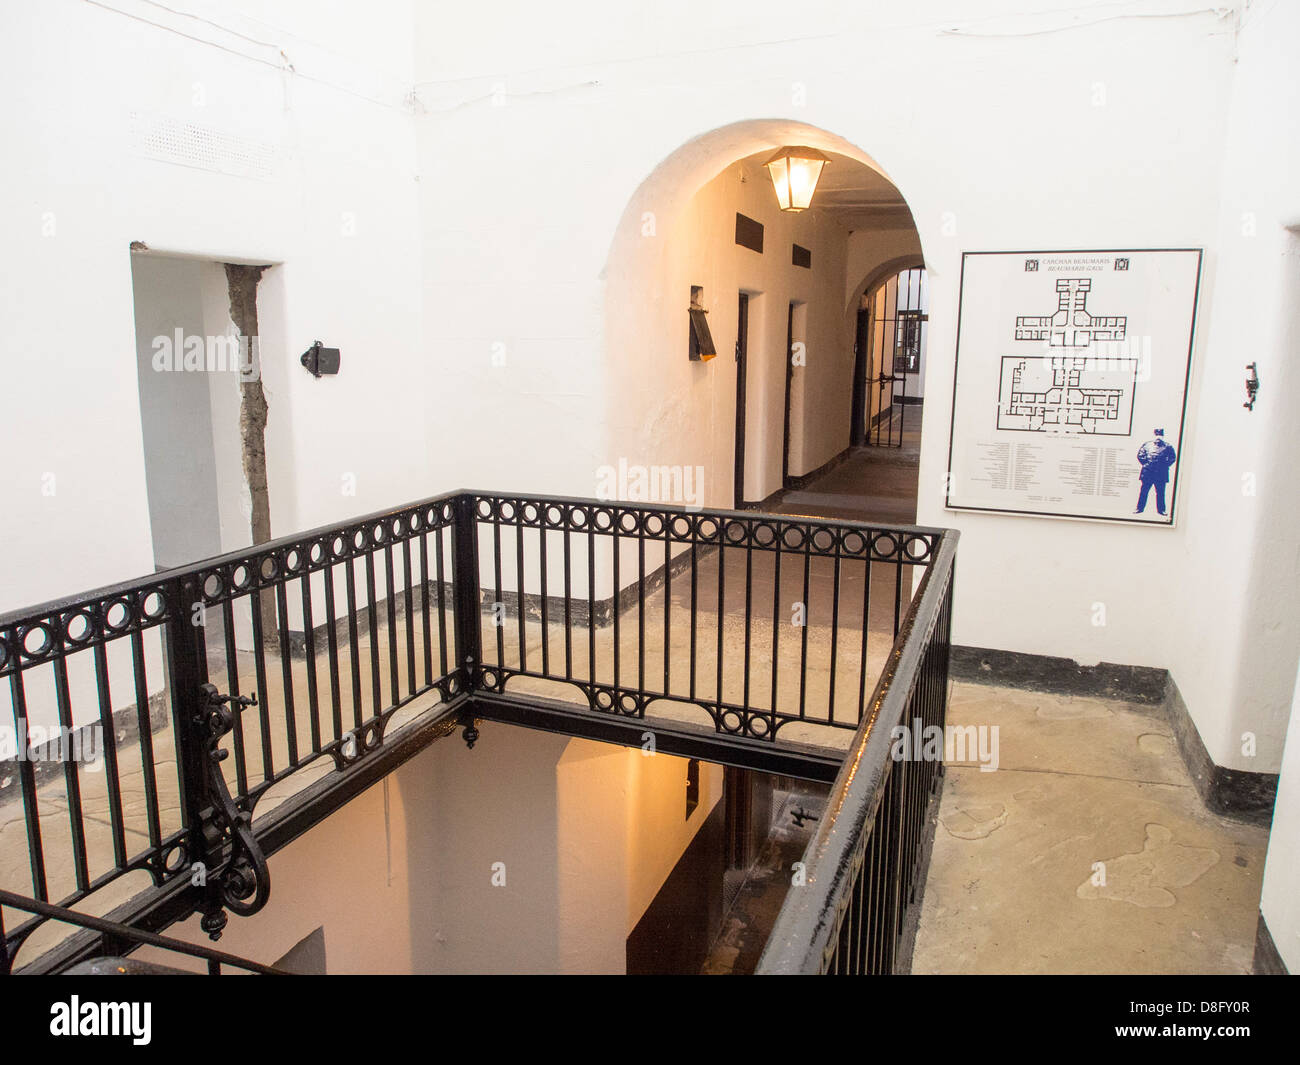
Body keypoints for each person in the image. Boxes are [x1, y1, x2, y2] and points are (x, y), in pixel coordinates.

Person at [1135, 429, 1176, 516]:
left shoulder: (1168, 446)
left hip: (1161, 474)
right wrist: (1147, 464)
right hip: (1148, 473)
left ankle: (1161, 510)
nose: (1158, 437)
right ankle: (1139, 508)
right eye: (1157, 435)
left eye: (1160, 435)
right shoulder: (1146, 445)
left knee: (1160, 493)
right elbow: (1140, 455)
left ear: (1162, 436)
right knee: (1143, 492)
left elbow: (1173, 458)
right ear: (1154, 435)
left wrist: (1164, 465)